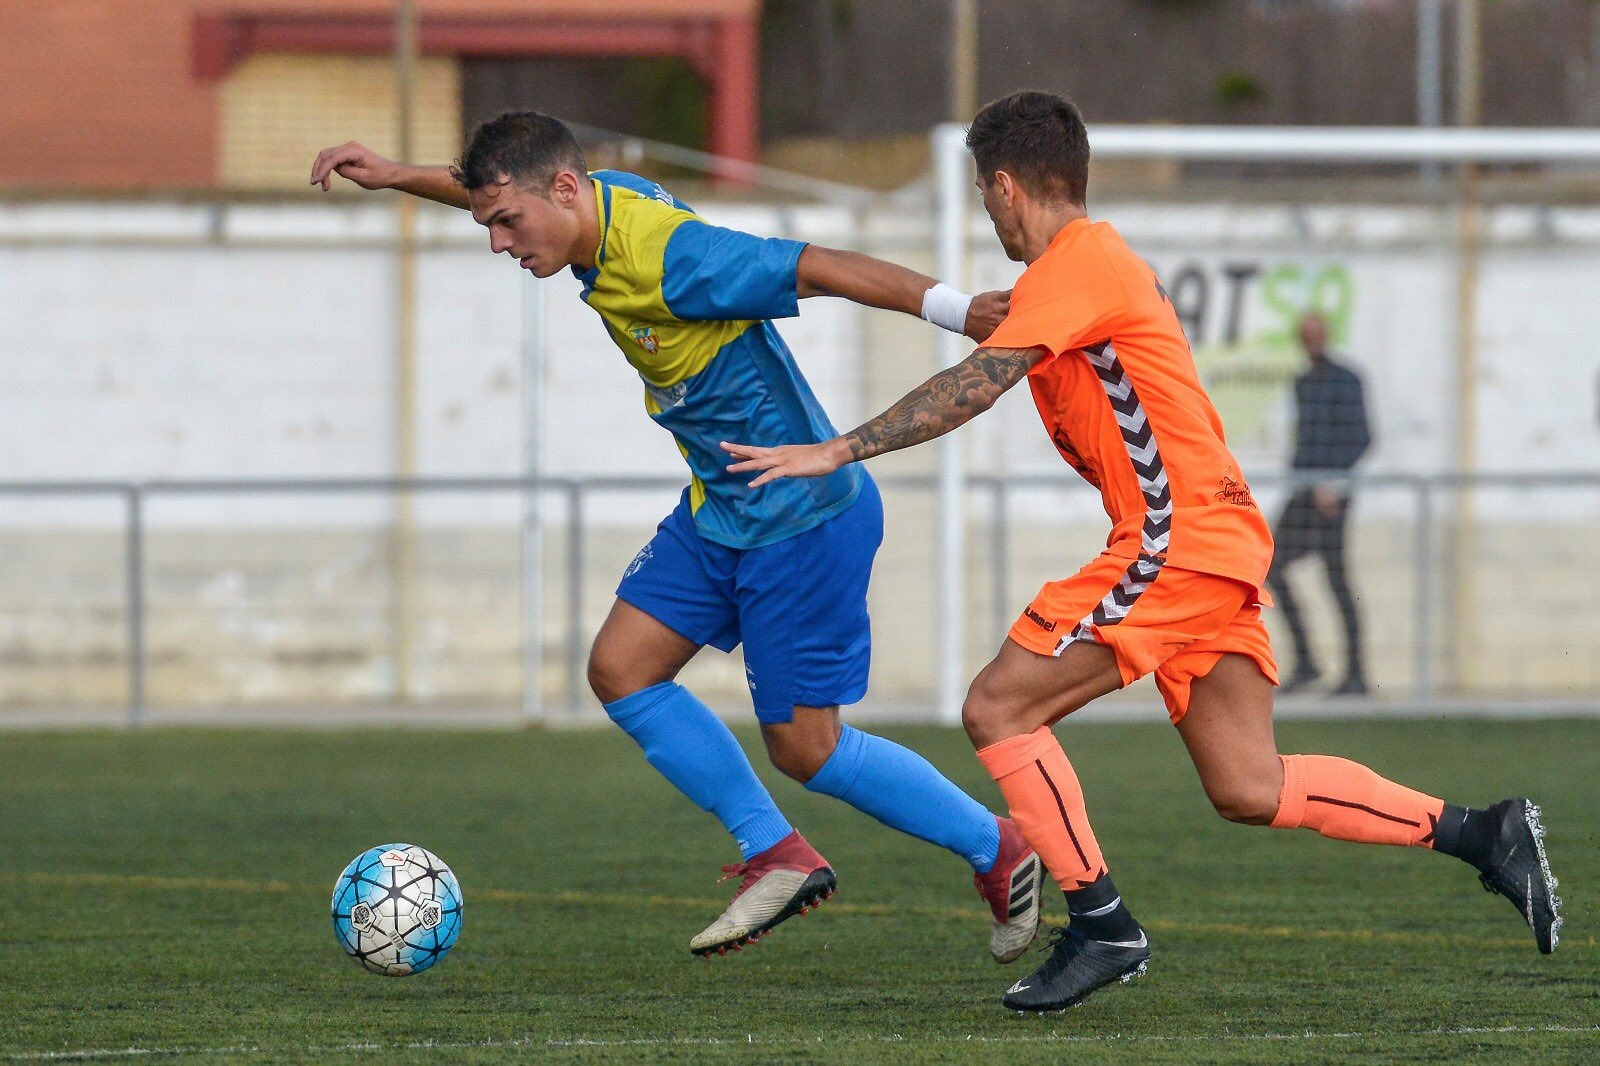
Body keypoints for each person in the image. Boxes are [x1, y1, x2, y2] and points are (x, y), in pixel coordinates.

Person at [722, 91, 1562, 1013]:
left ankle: (1102, 925)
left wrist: (837, 448)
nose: (984, 211)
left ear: (1007, 187)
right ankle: (1484, 834)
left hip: (1181, 539)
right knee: (1250, 785)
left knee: (998, 709)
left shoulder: (1080, 264)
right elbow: (1012, 346)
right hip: (1218, 538)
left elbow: (974, 386)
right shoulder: (1090, 272)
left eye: (981, 193)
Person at [309, 112, 1047, 962]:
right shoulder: (585, 208)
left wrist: (961, 311)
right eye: (488, 223)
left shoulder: (672, 256)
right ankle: (775, 852)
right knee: (621, 669)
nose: (498, 243)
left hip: (798, 514)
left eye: (506, 224)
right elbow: (498, 188)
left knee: (806, 748)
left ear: (565, 190)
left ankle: (1001, 848)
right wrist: (398, 174)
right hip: (719, 508)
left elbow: (821, 268)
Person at [1267, 312, 1372, 695]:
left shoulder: (1347, 379)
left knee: (1337, 580)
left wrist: (1333, 482)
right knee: (1270, 565)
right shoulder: (1303, 383)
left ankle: (1356, 674)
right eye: (1304, 333)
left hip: (1331, 497)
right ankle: (1308, 662)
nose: (1310, 339)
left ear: (1326, 335)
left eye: (1315, 332)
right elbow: (1304, 443)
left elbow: (1361, 437)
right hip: (1304, 492)